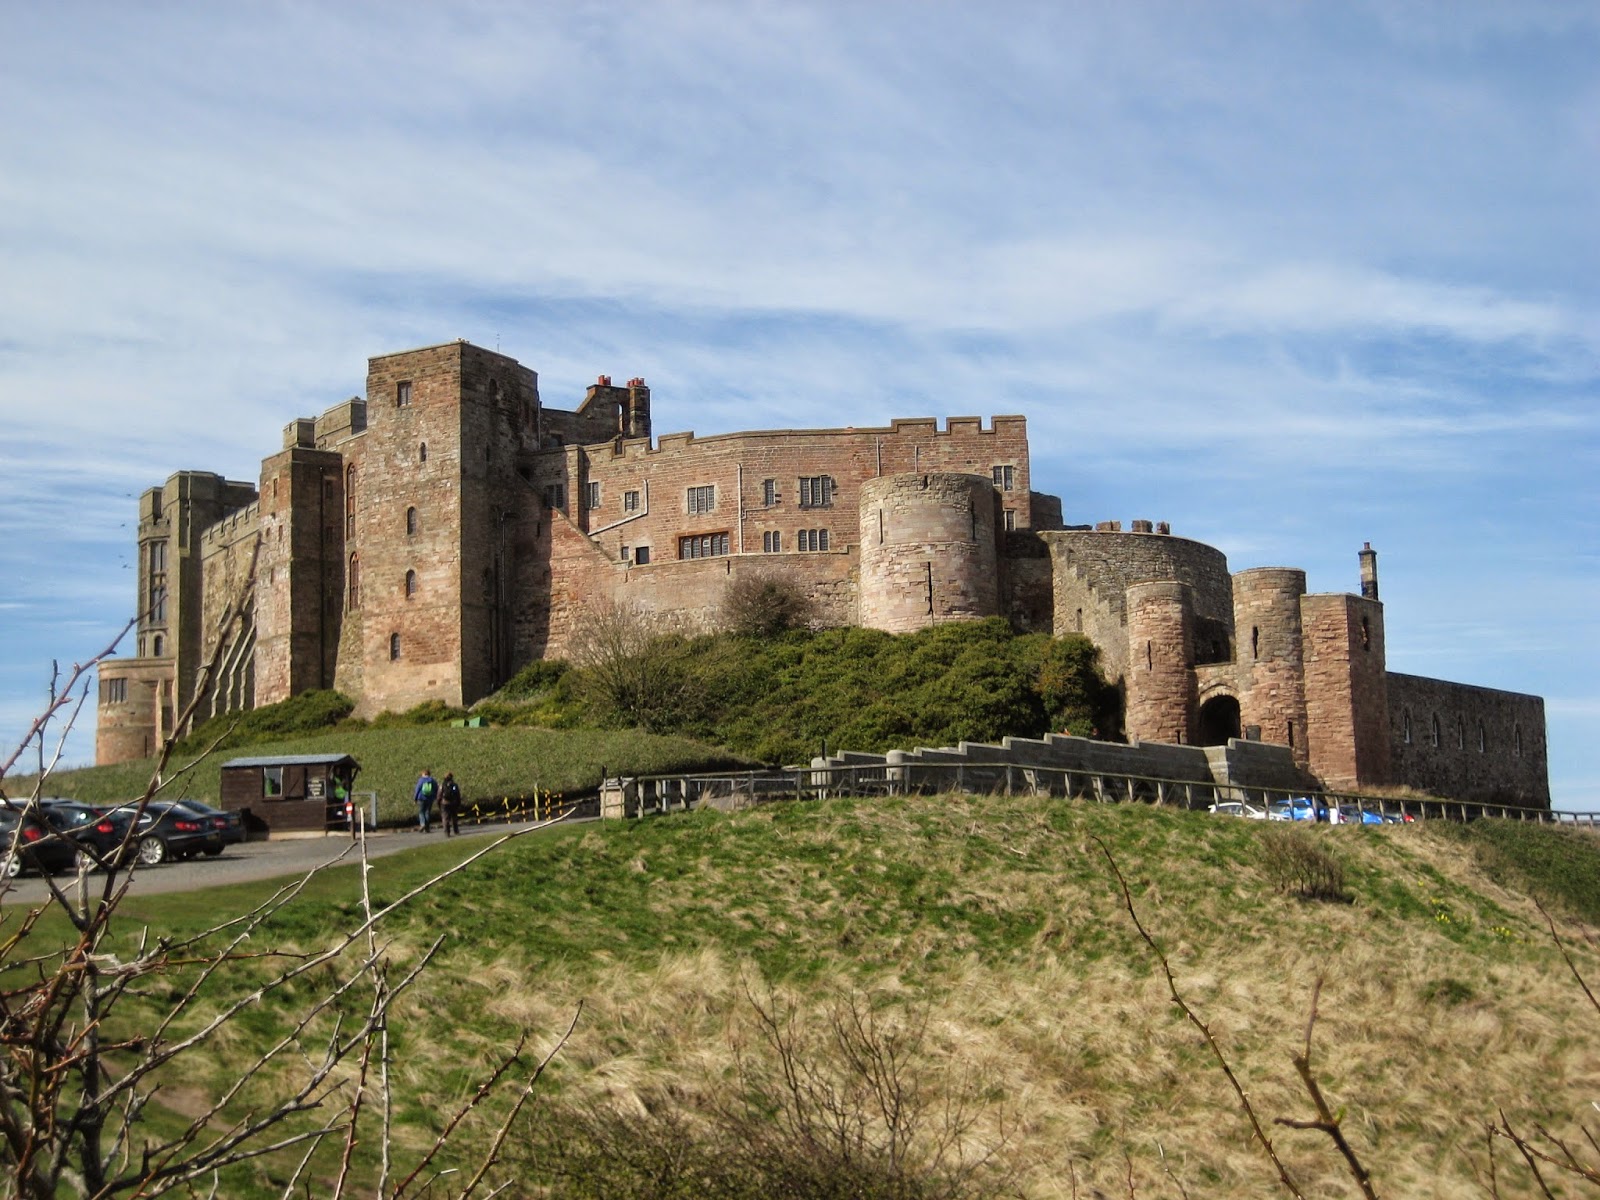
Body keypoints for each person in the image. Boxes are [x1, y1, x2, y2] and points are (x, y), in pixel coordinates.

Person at [414, 768, 438, 833]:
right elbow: (436, 788)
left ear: (424, 774)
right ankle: (427, 828)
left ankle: (423, 824)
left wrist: (415, 798)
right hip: (430, 799)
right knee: (427, 812)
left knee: (421, 812)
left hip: (421, 798)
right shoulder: (432, 780)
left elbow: (417, 789)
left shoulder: (421, 780)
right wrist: (435, 796)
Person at [440, 771, 462, 837]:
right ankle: (456, 831)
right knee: (454, 817)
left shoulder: (442, 785)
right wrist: (458, 802)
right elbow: (457, 794)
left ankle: (447, 832)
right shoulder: (454, 785)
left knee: (445, 818)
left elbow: (439, 795)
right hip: (453, 802)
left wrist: (439, 802)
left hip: (445, 803)